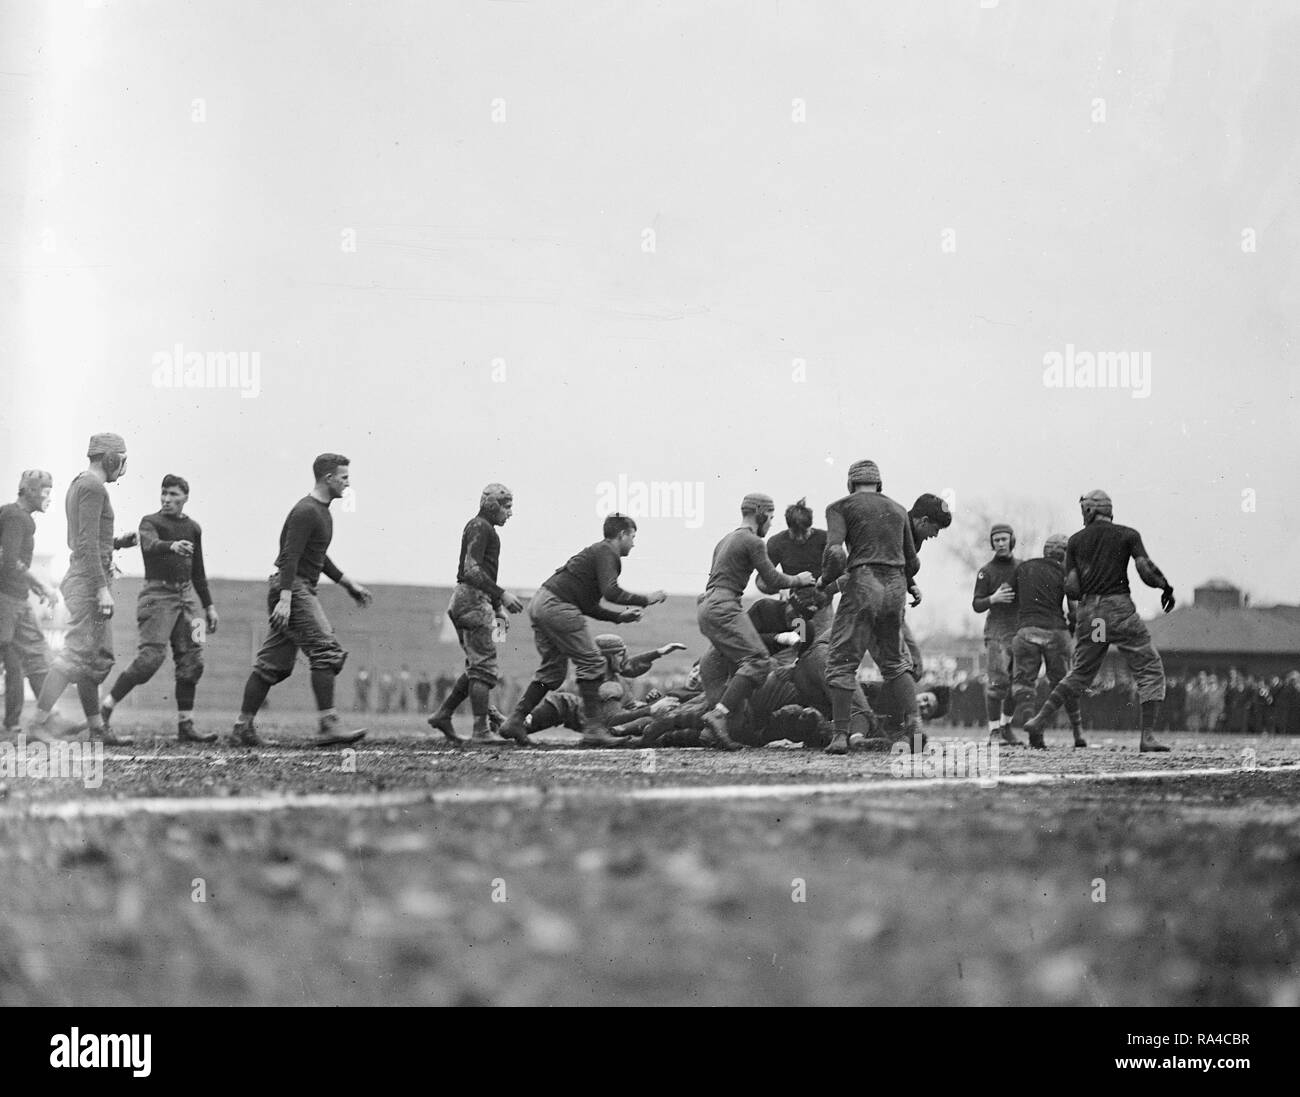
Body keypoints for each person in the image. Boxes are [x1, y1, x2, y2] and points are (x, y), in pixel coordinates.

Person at [228, 453, 372, 748]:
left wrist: (348, 584)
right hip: (292, 588)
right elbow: (290, 556)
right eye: (344, 477)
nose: (348, 483)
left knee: (272, 665)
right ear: (328, 478)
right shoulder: (306, 511)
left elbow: (318, 557)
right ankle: (328, 724)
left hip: (294, 588)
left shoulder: (322, 512)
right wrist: (285, 598)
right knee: (326, 650)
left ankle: (242, 728)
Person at [1023, 490, 1176, 752]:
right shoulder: (1128, 534)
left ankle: (1039, 720)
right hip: (1119, 610)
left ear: (1090, 511)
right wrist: (1165, 587)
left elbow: (1071, 588)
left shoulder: (1075, 541)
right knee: (1149, 668)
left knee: (1081, 672)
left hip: (1093, 617)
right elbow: (1144, 569)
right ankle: (1147, 737)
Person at [498, 514, 665, 747]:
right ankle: (594, 729)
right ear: (622, 534)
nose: (634, 543)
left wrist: (618, 617)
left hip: (541, 602)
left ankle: (515, 720)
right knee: (593, 663)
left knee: (553, 673)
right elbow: (612, 592)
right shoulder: (608, 553)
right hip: (557, 606)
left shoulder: (596, 553)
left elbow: (588, 605)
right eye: (633, 537)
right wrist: (646, 598)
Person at [28, 433, 138, 745]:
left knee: (93, 656)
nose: (124, 466)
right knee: (79, 654)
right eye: (122, 458)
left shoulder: (81, 484)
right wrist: (102, 589)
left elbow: (85, 539)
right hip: (89, 581)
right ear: (111, 458)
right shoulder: (93, 486)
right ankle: (37, 724)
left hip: (86, 575)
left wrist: (117, 543)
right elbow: (86, 543)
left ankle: (97, 729)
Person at [101, 474, 220, 744]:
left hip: (187, 598)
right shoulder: (150, 522)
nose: (167, 499)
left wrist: (209, 606)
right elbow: (150, 545)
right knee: (149, 660)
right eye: (164, 493)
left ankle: (186, 725)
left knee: (194, 658)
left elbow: (198, 570)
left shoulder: (194, 528)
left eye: (173, 494)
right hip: (156, 595)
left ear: (185, 497)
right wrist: (172, 546)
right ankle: (106, 708)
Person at [818, 460, 921, 756]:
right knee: (894, 661)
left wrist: (825, 580)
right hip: (896, 587)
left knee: (841, 660)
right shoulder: (899, 509)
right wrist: (909, 583)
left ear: (851, 483)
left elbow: (835, 553)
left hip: (864, 583)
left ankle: (839, 735)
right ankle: (916, 728)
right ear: (879, 482)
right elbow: (912, 561)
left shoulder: (839, 507)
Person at [696, 493, 814, 750]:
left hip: (707, 605)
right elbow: (771, 578)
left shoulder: (725, 539)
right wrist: (799, 580)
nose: (771, 524)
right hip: (724, 605)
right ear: (760, 513)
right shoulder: (752, 541)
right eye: (770, 517)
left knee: (723, 660)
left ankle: (714, 729)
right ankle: (718, 715)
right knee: (758, 660)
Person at [426, 484, 525, 745]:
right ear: (493, 505)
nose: (510, 513)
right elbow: (471, 570)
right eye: (507, 506)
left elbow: (483, 573)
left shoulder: (486, 530)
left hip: (471, 599)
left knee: (476, 665)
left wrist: (498, 607)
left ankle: (444, 713)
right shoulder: (480, 527)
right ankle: (481, 730)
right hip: (471, 599)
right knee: (484, 666)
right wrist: (502, 595)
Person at [1009, 533, 1086, 749]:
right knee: (1065, 683)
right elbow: (1073, 609)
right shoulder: (1065, 572)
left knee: (1024, 684)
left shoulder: (1023, 568)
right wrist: (1073, 631)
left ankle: (1034, 734)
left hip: (1026, 631)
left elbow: (1012, 599)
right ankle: (1078, 732)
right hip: (1055, 631)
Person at [0, 471, 58, 733]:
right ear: (31, 490)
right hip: (9, 600)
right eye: (44, 490)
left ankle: (29, 721)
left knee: (20, 661)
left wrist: (37, 586)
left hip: (13, 598)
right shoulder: (16, 517)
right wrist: (41, 584)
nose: (47, 496)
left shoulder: (12, 515)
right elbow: (11, 561)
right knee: (33, 656)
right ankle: (47, 720)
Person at [972, 522, 1022, 746]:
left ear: (1012, 540)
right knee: (997, 681)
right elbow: (976, 604)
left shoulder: (1022, 567)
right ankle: (993, 731)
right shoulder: (986, 571)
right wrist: (993, 598)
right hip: (996, 631)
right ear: (992, 543)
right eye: (997, 540)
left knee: (1017, 682)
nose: (1001, 543)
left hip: (1019, 630)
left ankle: (1006, 726)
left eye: (1004, 539)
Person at [767, 498, 831, 635]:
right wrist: (779, 587)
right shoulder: (777, 543)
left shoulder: (825, 539)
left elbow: (841, 571)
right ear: (788, 527)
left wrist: (825, 586)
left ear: (811, 525)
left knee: (823, 646)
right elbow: (762, 580)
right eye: (796, 533)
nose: (801, 538)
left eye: (805, 532)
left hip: (822, 606)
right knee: (800, 644)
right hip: (795, 606)